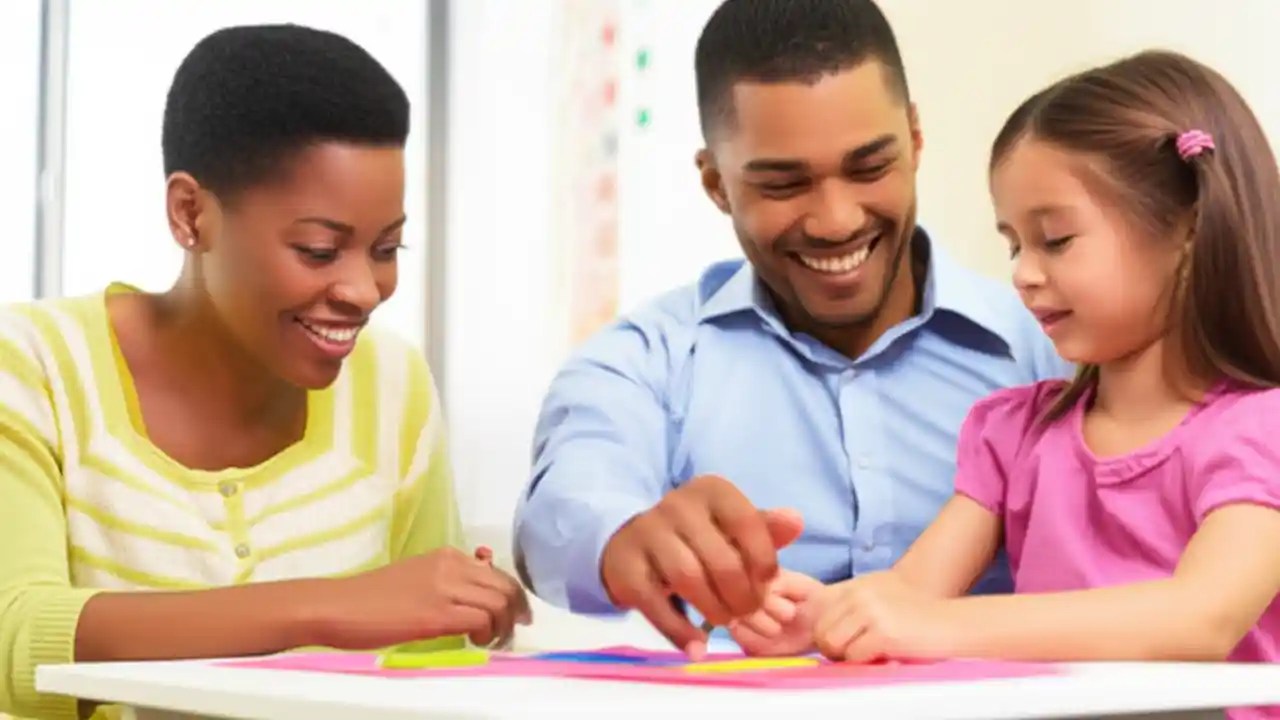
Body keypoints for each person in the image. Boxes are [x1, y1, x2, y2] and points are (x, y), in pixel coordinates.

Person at [0, 25, 528, 720]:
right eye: (318, 250)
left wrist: (464, 613)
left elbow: (423, 663)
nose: (365, 290)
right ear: (191, 214)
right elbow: (18, 642)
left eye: (386, 248)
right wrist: (325, 608)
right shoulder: (34, 367)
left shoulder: (392, 387)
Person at [512, 0, 1068, 658]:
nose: (835, 220)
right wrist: (626, 536)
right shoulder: (645, 361)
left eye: (870, 168)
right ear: (717, 184)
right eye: (783, 185)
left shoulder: (1049, 348)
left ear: (915, 140)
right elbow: (561, 513)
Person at [736, 49, 1280, 707]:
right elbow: (912, 593)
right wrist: (827, 615)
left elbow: (1201, 618)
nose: (1022, 272)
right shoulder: (1015, 433)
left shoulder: (1259, 429)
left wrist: (936, 627)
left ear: (1187, 230)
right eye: (1013, 243)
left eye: (1055, 240)